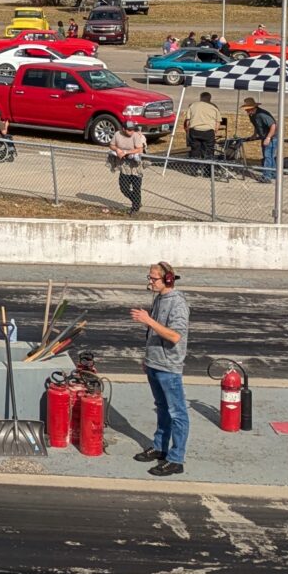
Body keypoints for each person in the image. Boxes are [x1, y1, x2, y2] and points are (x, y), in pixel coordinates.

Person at [130, 262, 189, 477]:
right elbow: (154, 333)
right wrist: (147, 358)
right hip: (154, 363)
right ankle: (161, 447)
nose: (150, 282)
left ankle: (176, 459)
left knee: (177, 413)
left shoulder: (178, 303)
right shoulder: (159, 299)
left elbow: (175, 336)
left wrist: (148, 320)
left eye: (153, 278)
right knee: (162, 408)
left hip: (168, 367)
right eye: (149, 277)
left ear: (168, 279)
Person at [109, 120, 146, 213]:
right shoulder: (118, 134)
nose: (131, 132)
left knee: (136, 188)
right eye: (129, 130)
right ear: (123, 129)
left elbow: (140, 149)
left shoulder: (136, 136)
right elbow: (111, 145)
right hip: (124, 166)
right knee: (124, 188)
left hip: (135, 166)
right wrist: (117, 150)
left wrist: (125, 152)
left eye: (133, 130)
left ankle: (135, 208)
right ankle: (137, 202)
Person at [243, 98, 278, 182]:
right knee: (270, 156)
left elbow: (273, 126)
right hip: (264, 136)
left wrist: (268, 138)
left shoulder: (262, 115)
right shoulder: (252, 115)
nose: (247, 112)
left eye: (248, 110)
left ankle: (266, 176)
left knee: (267, 156)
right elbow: (257, 125)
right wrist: (254, 135)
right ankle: (273, 174)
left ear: (253, 108)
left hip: (272, 137)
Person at [184, 92, 220, 172]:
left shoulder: (193, 105)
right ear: (210, 98)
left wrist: (188, 131)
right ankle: (208, 171)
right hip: (208, 132)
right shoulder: (214, 107)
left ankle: (193, 170)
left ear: (200, 97)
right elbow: (218, 122)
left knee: (195, 150)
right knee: (209, 151)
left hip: (195, 130)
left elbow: (188, 121)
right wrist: (215, 132)